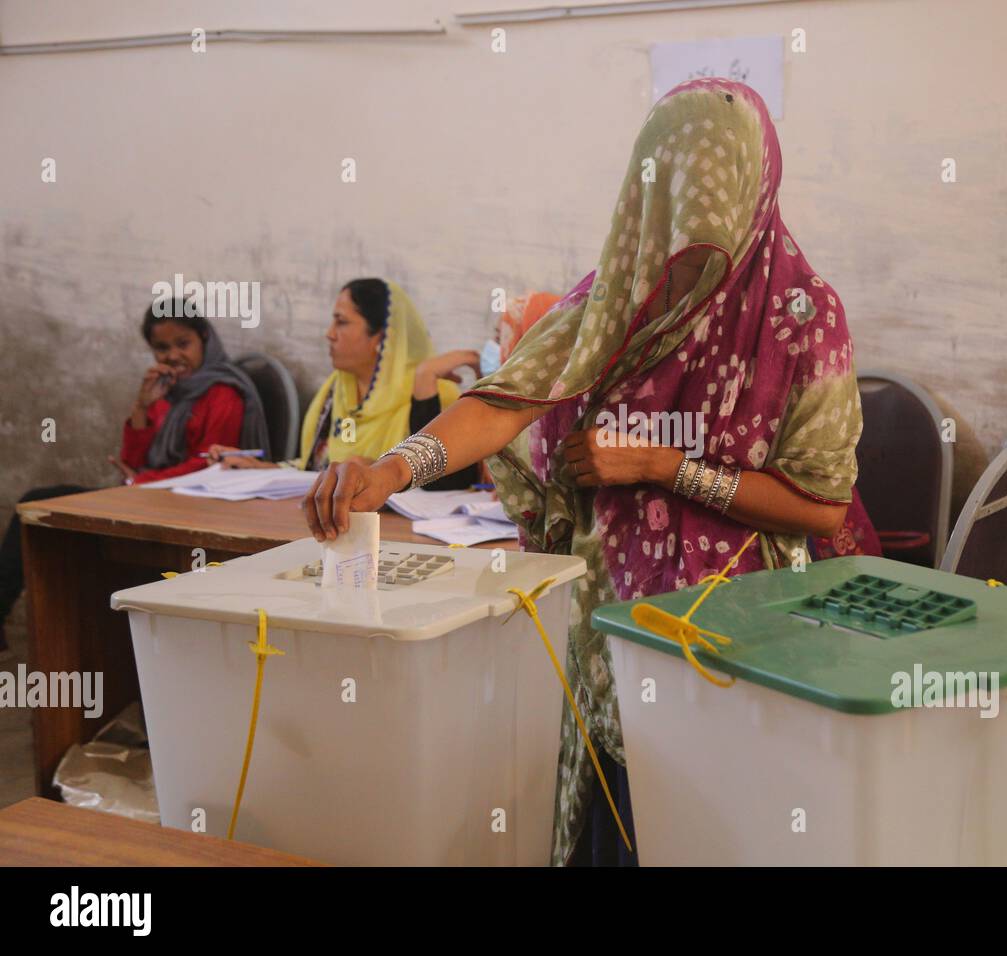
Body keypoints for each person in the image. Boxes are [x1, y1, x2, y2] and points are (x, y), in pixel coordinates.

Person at [299, 79, 881, 865]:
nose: (686, 279)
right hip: (610, 635)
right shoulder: (613, 301)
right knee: (617, 828)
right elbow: (508, 400)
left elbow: (818, 506)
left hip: (742, 643)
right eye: (675, 247)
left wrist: (663, 465)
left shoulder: (803, 318)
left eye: (710, 253)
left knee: (711, 831)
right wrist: (398, 466)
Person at [0, 300, 268, 652]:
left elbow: (211, 465)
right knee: (37, 501)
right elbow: (132, 461)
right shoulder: (165, 392)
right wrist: (142, 408)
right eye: (162, 348)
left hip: (200, 508)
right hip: (148, 499)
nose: (173, 355)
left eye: (183, 343)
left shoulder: (224, 392)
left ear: (205, 338)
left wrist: (140, 482)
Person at [215, 278, 480, 490]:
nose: (329, 333)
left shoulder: (434, 392)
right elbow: (318, 469)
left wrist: (379, 472)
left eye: (341, 322)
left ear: (381, 337)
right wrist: (262, 468)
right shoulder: (336, 392)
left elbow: (446, 484)